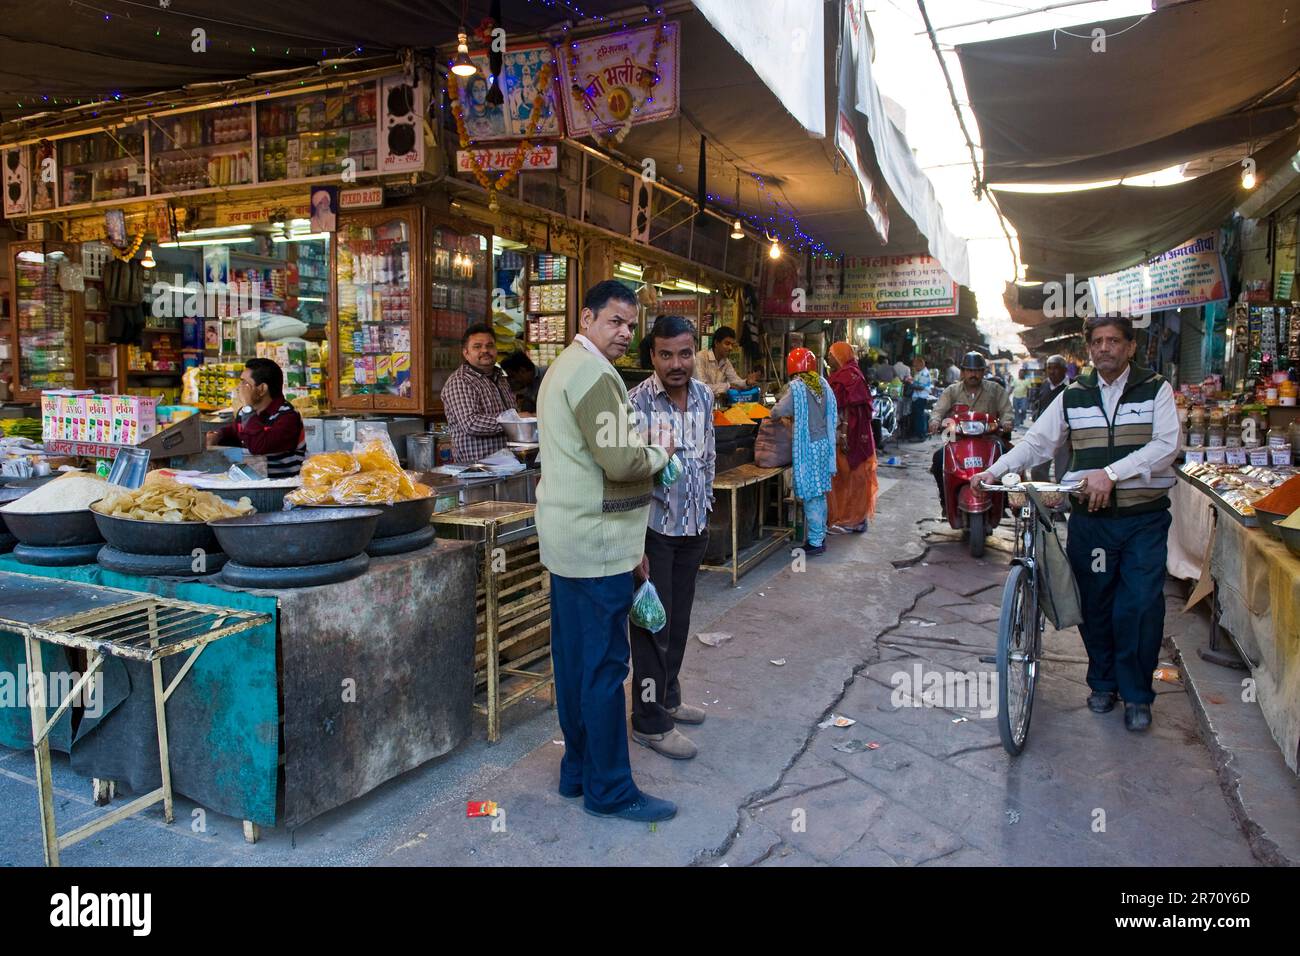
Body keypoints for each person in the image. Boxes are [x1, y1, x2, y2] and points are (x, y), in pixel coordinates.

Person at [971, 316, 1180, 733]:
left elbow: (1167, 444)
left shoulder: (1156, 388)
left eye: (1114, 341)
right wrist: (995, 470)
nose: (1105, 348)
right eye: (1098, 341)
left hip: (1143, 520)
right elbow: (1037, 442)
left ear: (1130, 347)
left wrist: (1112, 473)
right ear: (1089, 348)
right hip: (1092, 520)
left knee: (1138, 606)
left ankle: (1137, 693)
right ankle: (1102, 682)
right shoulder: (1074, 395)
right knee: (1095, 603)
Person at [535, 279, 677, 823]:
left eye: (630, 324)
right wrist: (658, 453)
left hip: (570, 542)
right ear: (588, 318)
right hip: (595, 548)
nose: (624, 333)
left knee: (574, 665)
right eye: (615, 321)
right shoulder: (595, 375)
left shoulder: (564, 369)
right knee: (603, 670)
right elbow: (619, 462)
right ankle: (611, 790)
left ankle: (578, 771)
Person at [626, 315, 715, 761]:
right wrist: (635, 541)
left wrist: (707, 505)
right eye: (666, 354)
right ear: (652, 357)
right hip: (655, 532)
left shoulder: (703, 395)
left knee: (677, 621)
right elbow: (628, 476)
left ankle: (669, 697)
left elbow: (706, 456)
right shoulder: (635, 402)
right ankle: (648, 720)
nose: (676, 363)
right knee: (650, 626)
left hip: (693, 526)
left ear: (694, 352)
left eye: (684, 353)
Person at [771, 347, 837, 557]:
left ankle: (816, 541)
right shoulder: (823, 384)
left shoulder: (798, 387)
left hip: (809, 448)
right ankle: (819, 535)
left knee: (811, 495)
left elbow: (779, 410)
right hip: (824, 445)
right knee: (819, 493)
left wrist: (772, 413)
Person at [927, 352, 1012, 514]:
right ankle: (946, 501)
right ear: (963, 372)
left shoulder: (995, 390)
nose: (973, 374)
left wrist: (1007, 422)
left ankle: (1004, 501)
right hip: (957, 439)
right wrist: (935, 421)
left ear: (983, 372)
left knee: (1008, 459)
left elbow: (1007, 411)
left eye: (978, 370)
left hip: (989, 439)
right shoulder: (952, 391)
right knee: (939, 460)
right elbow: (938, 410)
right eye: (969, 370)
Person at [207, 358, 306, 478]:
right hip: (252, 483)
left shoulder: (288, 417)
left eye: (244, 383)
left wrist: (247, 407)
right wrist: (218, 435)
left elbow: (258, 446)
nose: (239, 387)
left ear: (262, 389)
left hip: (280, 489)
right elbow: (236, 431)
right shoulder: (246, 413)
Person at [440, 323, 516, 463]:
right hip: (477, 470)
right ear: (466, 353)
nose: (485, 350)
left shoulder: (500, 378)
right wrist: (513, 420)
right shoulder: (460, 381)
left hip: (507, 465)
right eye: (477, 346)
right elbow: (471, 423)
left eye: (490, 345)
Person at [826, 341, 877, 534]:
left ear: (839, 356)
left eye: (831, 354)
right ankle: (852, 518)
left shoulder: (847, 377)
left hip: (848, 437)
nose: (828, 358)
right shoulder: (851, 375)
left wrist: (845, 433)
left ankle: (850, 519)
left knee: (848, 477)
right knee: (851, 477)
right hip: (855, 436)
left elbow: (846, 407)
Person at [1029, 354, 1070, 482]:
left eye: (1056, 368)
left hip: (1065, 436)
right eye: (1049, 368)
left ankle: (1062, 500)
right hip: (1045, 434)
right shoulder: (1044, 386)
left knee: (1063, 473)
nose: (1052, 371)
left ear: (1064, 370)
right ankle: (1044, 497)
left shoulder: (1072, 387)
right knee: (1037, 471)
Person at [695, 326, 759, 398]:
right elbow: (701, 388)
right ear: (716, 343)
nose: (730, 348)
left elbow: (735, 380)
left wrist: (747, 382)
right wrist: (727, 386)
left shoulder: (726, 362)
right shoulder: (701, 357)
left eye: (732, 345)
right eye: (727, 343)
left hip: (718, 406)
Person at [500, 347, 543, 414]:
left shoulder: (548, 375)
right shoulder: (528, 385)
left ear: (522, 370)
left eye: (512, 376)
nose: (511, 381)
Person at [909, 356, 933, 441]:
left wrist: (911, 384)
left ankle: (920, 436)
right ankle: (919, 434)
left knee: (919, 417)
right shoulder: (920, 372)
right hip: (918, 397)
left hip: (920, 397)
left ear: (920, 364)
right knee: (918, 416)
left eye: (915, 365)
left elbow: (921, 387)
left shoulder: (924, 373)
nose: (914, 367)